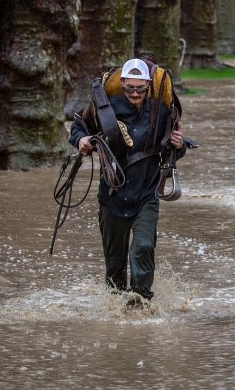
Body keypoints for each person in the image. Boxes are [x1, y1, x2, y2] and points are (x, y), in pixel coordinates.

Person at [69, 58, 186, 304]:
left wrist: (180, 144)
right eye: (130, 87)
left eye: (140, 88)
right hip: (112, 195)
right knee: (114, 266)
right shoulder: (104, 109)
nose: (135, 93)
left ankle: (141, 302)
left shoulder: (162, 111)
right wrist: (80, 140)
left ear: (148, 86)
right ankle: (115, 307)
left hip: (147, 195)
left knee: (143, 246)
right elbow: (79, 126)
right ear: (122, 84)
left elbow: (175, 150)